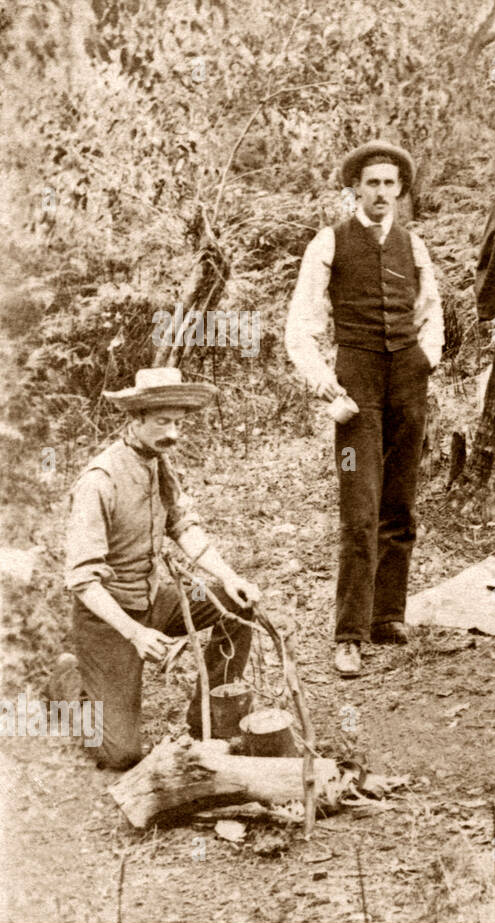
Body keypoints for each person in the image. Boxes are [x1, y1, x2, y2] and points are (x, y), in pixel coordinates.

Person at [284, 141, 444, 676]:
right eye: (371, 183)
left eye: (389, 184)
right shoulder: (329, 243)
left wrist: (426, 358)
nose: (380, 193)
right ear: (354, 187)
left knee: (399, 501)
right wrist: (326, 384)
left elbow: (431, 311)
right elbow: (301, 326)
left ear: (401, 190)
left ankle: (387, 617)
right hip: (357, 382)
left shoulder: (412, 246)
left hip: (407, 380)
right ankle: (349, 633)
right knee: (360, 507)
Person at [65, 368, 261, 769]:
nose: (172, 433)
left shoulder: (158, 462)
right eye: (161, 423)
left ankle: (209, 716)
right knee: (121, 754)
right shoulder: (99, 481)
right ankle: (67, 681)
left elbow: (183, 528)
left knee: (237, 605)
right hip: (110, 619)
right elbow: (83, 581)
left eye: (177, 423)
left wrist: (230, 577)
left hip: (156, 598)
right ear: (134, 419)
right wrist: (136, 633)